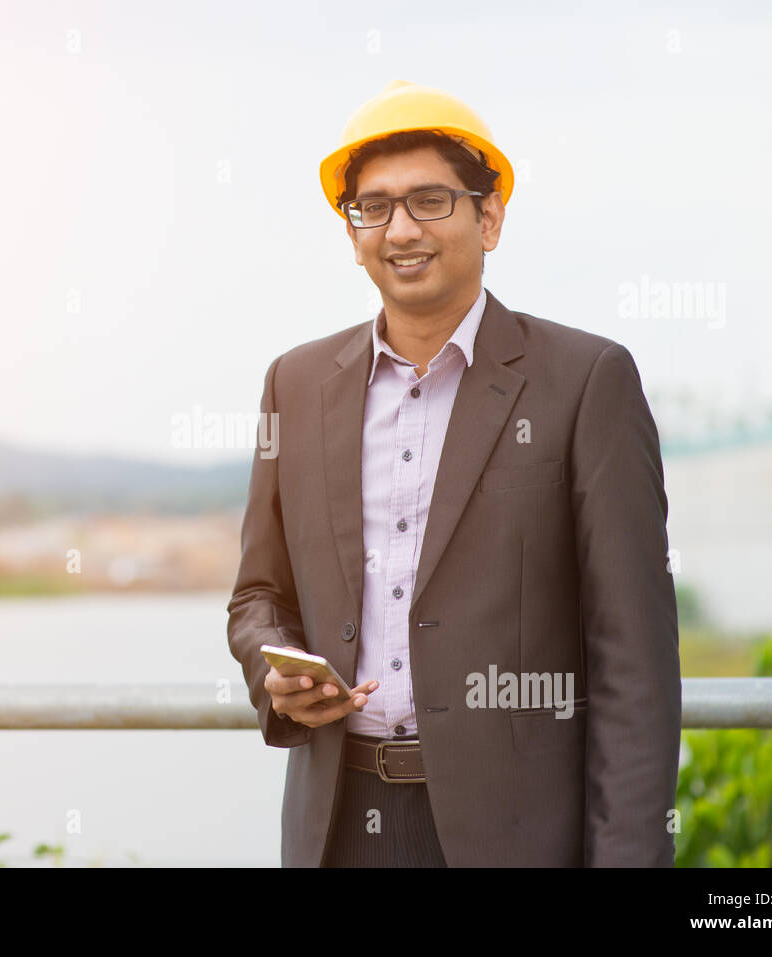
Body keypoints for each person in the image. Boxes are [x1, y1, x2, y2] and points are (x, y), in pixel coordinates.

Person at [226, 80, 681, 867]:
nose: (400, 228)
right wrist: (277, 668)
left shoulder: (585, 380)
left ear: (490, 215)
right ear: (354, 230)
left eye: (430, 200)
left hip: (517, 837)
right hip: (336, 826)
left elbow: (633, 664)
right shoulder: (294, 386)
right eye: (373, 207)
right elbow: (257, 595)